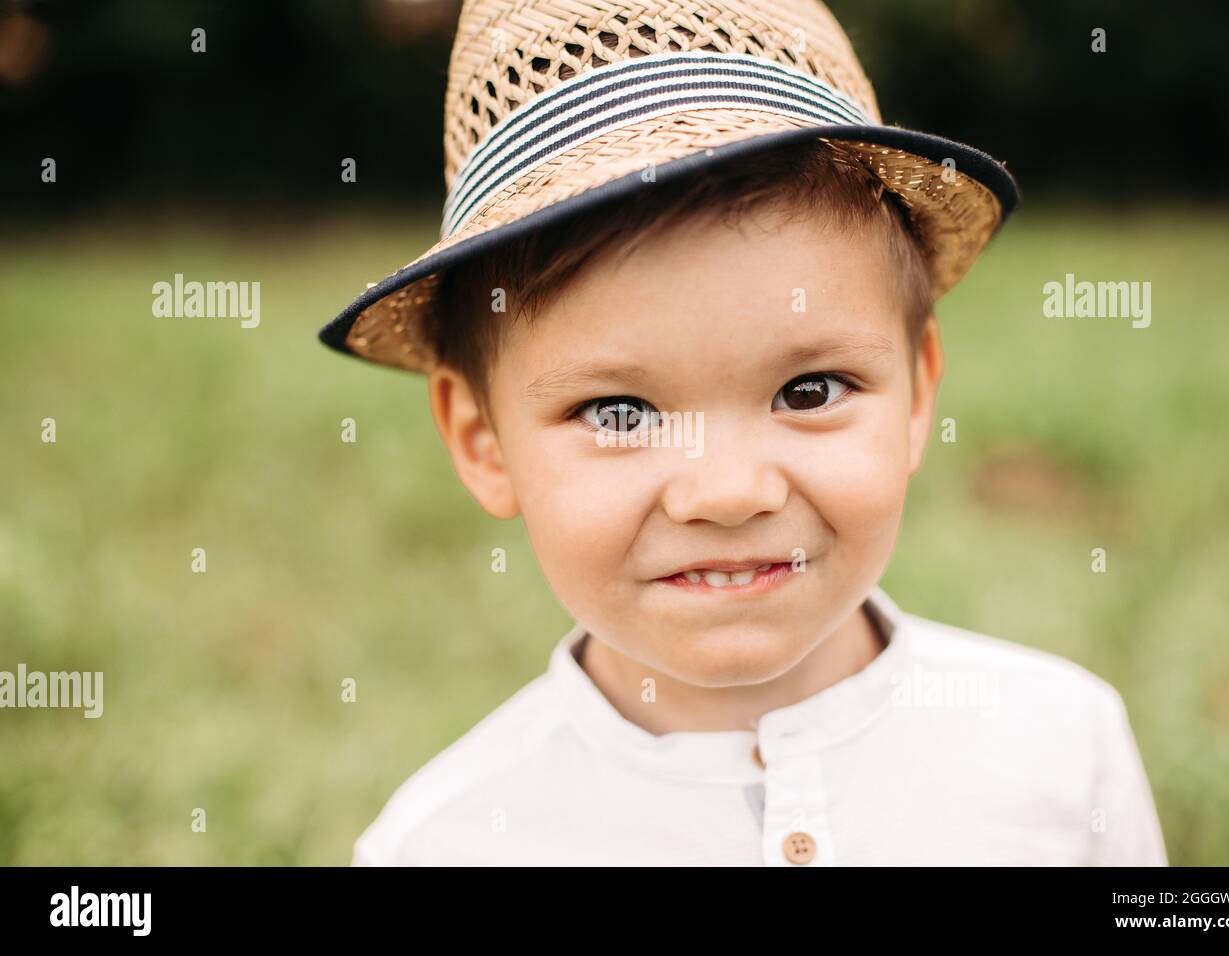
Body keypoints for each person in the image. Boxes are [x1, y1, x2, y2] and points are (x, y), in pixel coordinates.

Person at [318, 0, 1166, 866]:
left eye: (808, 390)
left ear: (915, 396)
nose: (727, 491)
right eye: (620, 413)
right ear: (483, 441)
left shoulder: (1061, 749)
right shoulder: (445, 845)